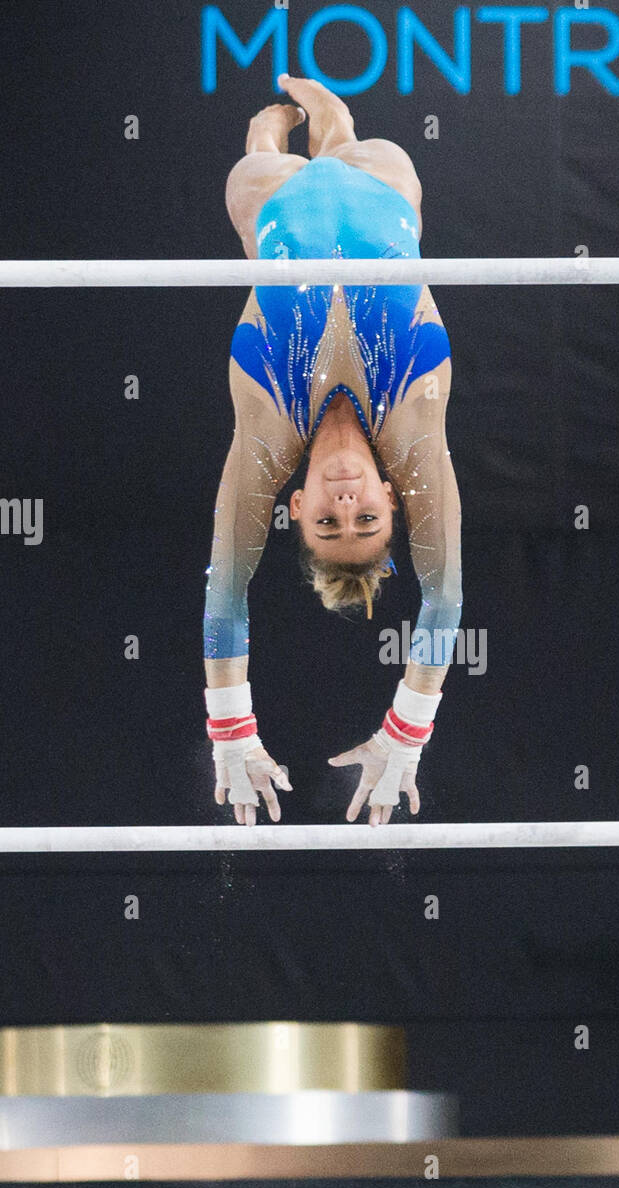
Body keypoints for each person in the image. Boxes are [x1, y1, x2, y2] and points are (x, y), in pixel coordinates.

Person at [204, 76, 462, 827]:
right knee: (345, 136)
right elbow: (443, 596)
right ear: (392, 498)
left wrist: (231, 732)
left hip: (269, 209)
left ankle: (268, 130)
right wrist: (408, 734)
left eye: (326, 525)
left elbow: (227, 586)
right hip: (383, 185)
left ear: (296, 506)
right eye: (365, 522)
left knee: (260, 157)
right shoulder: (418, 419)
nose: (345, 507)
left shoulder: (267, 421)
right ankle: (328, 117)